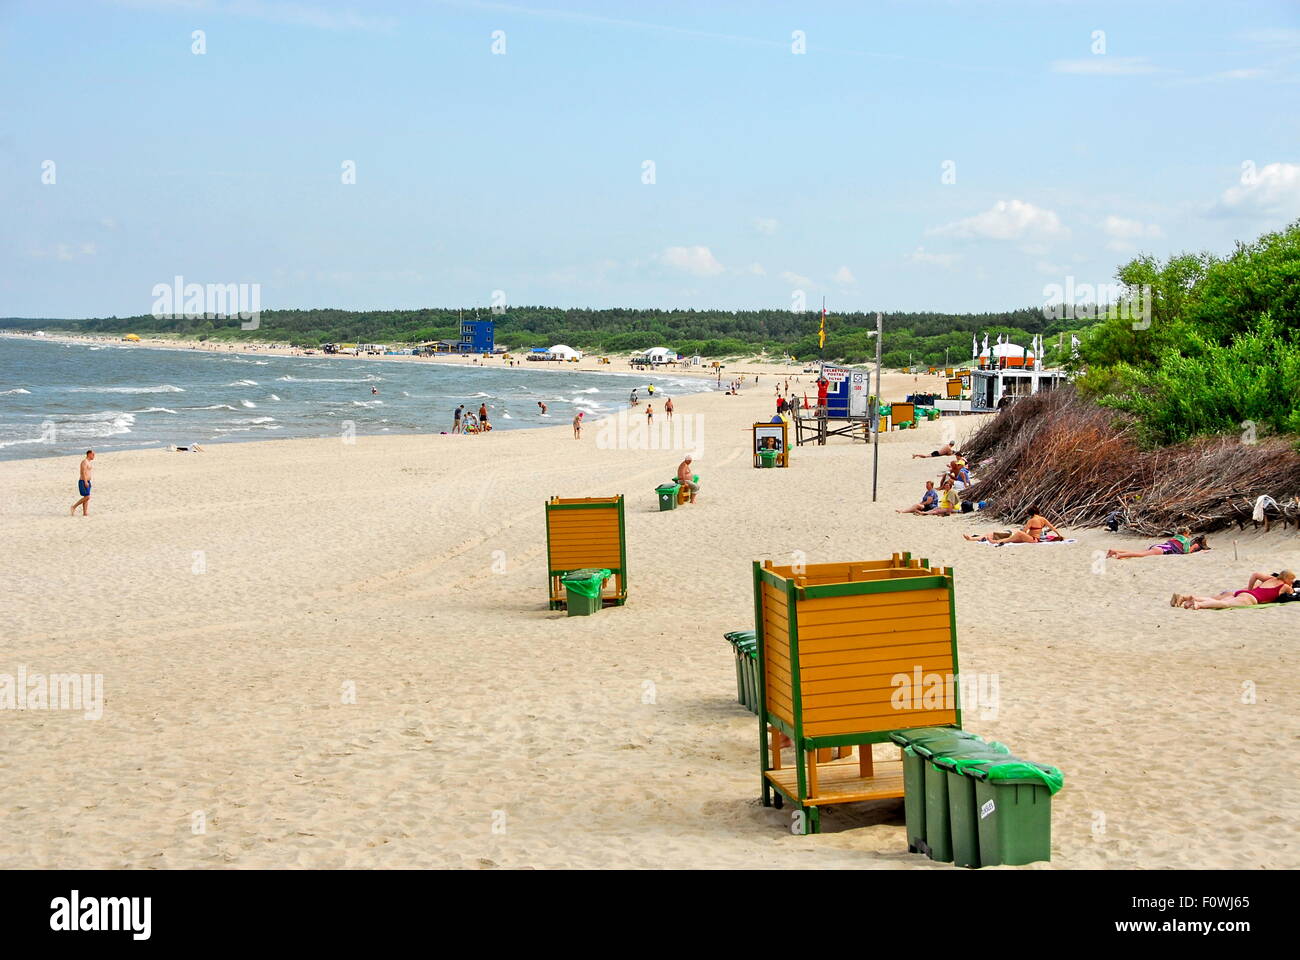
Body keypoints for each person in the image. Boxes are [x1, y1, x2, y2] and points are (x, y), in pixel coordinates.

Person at [1173, 570, 1295, 610]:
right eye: (1292, 580)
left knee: (1219, 599)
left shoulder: (1271, 578)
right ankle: (1198, 605)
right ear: (1287, 578)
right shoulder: (1285, 587)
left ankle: (1186, 598)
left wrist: (1250, 588)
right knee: (1223, 604)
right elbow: (1293, 594)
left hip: (1246, 593)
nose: (1292, 582)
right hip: (1251, 599)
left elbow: (1255, 574)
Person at [964, 507, 1063, 544]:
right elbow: (1052, 527)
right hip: (1032, 538)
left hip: (1033, 539)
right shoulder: (1043, 519)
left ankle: (996, 541)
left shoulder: (1032, 520)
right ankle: (972, 539)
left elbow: (1024, 532)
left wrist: (1017, 534)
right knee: (1000, 534)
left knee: (1015, 534)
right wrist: (1059, 535)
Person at [1108, 531, 1208, 559]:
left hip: (1159, 546)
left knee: (1140, 553)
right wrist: (1195, 547)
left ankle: (1114, 551)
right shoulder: (1186, 540)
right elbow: (1186, 552)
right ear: (1185, 534)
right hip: (1162, 550)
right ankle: (1120, 555)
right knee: (1140, 555)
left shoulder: (1176, 537)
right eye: (1188, 534)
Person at [70, 450, 94, 516]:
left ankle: (85, 512)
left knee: (86, 497)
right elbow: (82, 472)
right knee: (87, 497)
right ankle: (74, 507)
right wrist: (85, 481)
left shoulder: (89, 462)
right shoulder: (84, 462)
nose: (94, 456)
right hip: (83, 481)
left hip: (88, 481)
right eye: (93, 454)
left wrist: (88, 481)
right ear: (89, 454)